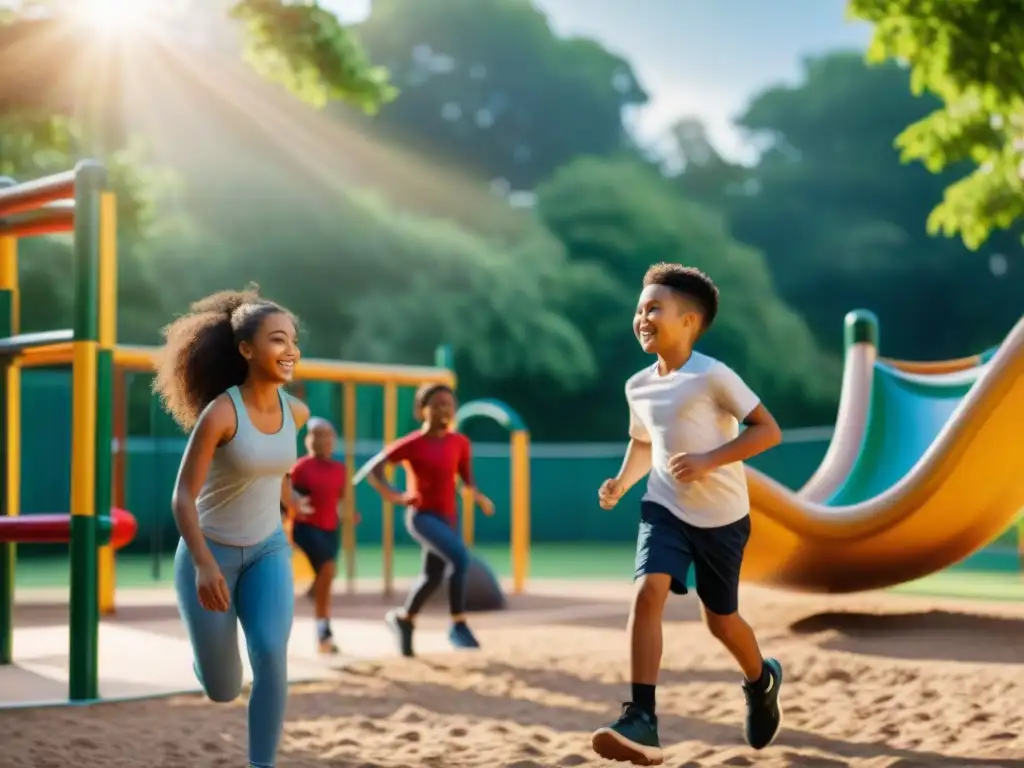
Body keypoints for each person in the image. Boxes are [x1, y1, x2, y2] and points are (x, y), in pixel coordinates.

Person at [590, 263, 784, 765]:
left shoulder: (713, 375)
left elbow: (767, 430)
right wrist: (621, 482)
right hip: (664, 506)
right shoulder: (638, 385)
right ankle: (641, 718)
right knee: (647, 590)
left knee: (721, 622)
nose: (642, 318)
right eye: (639, 309)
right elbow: (642, 442)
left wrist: (709, 461)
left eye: (654, 308)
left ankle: (761, 680)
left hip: (723, 518)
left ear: (690, 322)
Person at [155, 285, 310, 768]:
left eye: (293, 341)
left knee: (270, 654)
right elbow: (183, 495)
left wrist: (293, 499)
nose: (290, 351)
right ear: (246, 349)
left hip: (267, 551)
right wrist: (202, 564)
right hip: (210, 554)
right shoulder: (221, 413)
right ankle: (209, 662)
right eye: (277, 340)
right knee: (223, 688)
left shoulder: (297, 414)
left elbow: (275, 469)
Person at [366, 383, 494, 657]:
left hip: (449, 517)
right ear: (422, 410)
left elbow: (466, 479)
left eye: (447, 404)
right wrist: (396, 496)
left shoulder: (460, 442)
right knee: (460, 558)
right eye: (435, 405)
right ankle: (458, 624)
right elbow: (375, 469)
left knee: (432, 577)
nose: (443, 410)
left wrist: (478, 497)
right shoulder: (412, 443)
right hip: (423, 517)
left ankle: (404, 619)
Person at [289, 416, 349, 655]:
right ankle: (323, 632)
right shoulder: (300, 468)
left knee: (327, 576)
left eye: (327, 436)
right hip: (305, 528)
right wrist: (295, 504)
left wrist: (348, 514)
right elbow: (286, 495)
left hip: (330, 530)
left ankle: (316, 595)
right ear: (308, 440)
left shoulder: (340, 470)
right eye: (316, 435)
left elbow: (341, 501)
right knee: (328, 569)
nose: (322, 440)